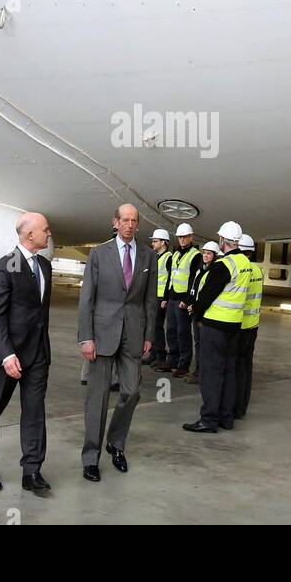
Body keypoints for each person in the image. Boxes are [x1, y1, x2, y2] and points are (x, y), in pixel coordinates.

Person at [0, 212, 53, 494]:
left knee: (34, 413)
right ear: (29, 235)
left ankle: (31, 471)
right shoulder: (4, 267)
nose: (49, 233)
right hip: (5, 354)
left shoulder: (45, 265)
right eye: (45, 230)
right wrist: (8, 355)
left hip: (37, 354)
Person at [77, 204, 155, 481]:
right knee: (96, 399)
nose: (130, 225)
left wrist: (149, 335)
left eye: (134, 221)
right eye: (125, 220)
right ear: (115, 222)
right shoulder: (99, 254)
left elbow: (150, 300)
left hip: (132, 334)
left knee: (131, 392)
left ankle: (116, 443)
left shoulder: (148, 255)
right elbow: (87, 298)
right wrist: (86, 337)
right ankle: (90, 458)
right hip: (101, 334)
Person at [183, 221, 251, 433]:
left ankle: (209, 420)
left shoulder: (223, 265)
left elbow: (206, 296)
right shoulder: (245, 263)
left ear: (222, 240)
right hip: (235, 326)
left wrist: (197, 313)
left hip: (215, 326)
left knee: (211, 373)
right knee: (229, 371)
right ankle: (226, 418)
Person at [165, 223, 202, 377]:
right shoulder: (175, 254)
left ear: (191, 237)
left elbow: (194, 279)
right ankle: (172, 360)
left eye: (185, 236)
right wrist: (166, 297)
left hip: (182, 300)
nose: (182, 239)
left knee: (183, 333)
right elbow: (171, 276)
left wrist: (187, 300)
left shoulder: (196, 255)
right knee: (171, 331)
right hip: (173, 298)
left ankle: (184, 364)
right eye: (180, 237)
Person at [233, 233, 262, 420]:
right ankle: (242, 406)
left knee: (235, 368)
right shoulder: (258, 270)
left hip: (240, 326)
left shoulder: (242, 270)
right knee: (246, 366)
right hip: (253, 325)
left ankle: (235, 407)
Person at [183, 241, 219, 384]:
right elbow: (194, 289)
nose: (205, 255)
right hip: (196, 312)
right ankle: (198, 371)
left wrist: (197, 310)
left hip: (205, 315)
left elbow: (208, 296)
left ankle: (203, 373)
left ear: (215, 256)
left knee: (205, 345)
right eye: (204, 253)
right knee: (198, 343)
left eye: (209, 253)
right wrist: (190, 304)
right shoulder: (200, 270)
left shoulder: (214, 272)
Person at [148, 228, 172, 371]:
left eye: (155, 241)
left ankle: (161, 357)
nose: (153, 243)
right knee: (153, 327)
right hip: (154, 296)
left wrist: (165, 297)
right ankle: (155, 354)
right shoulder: (157, 256)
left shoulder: (168, 258)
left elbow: (170, 279)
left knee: (157, 327)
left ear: (163, 243)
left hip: (161, 297)